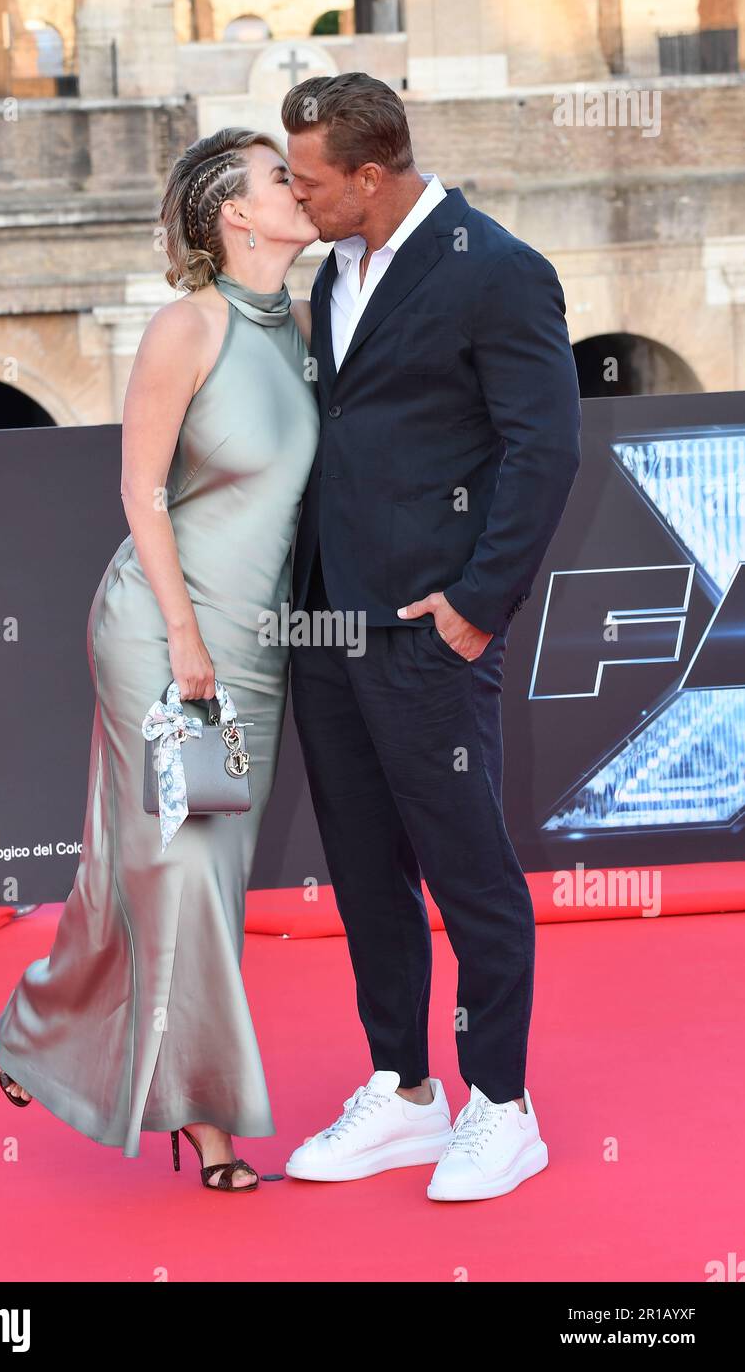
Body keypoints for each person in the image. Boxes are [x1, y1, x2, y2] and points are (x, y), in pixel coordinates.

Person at [0, 127, 320, 1192]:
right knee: (185, 871)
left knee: (191, 872)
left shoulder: (301, 329)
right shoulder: (188, 326)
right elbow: (141, 490)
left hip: (256, 651)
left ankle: (39, 1026)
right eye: (281, 176)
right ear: (235, 212)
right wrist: (184, 635)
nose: (301, 186)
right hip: (167, 640)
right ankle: (210, 1120)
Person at [281, 73, 582, 1200]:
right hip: (328, 620)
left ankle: (503, 1107)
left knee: (468, 871)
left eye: (309, 182)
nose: (296, 198)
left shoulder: (497, 270)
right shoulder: (334, 269)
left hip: (426, 631)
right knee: (365, 869)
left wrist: (477, 604)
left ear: (370, 176)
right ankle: (406, 1091)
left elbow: (544, 448)